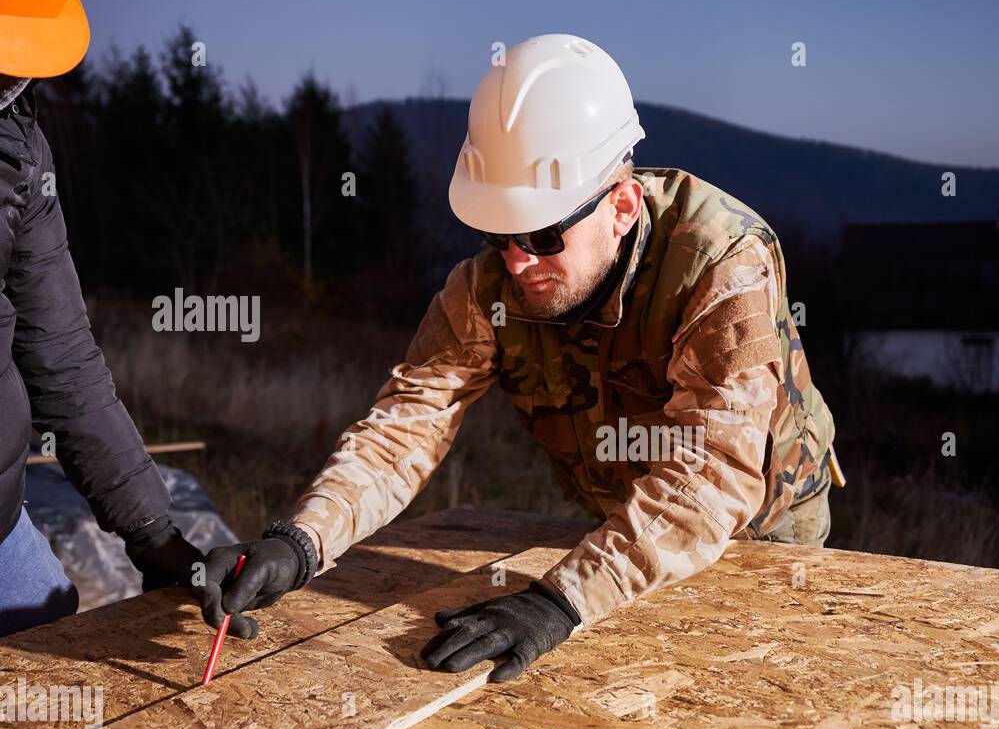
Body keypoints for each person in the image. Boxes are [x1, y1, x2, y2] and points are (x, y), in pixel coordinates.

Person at [200, 34, 842, 682]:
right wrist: (300, 542)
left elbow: (714, 479)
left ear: (620, 207)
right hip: (629, 523)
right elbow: (406, 427)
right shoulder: (486, 290)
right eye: (499, 232)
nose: (517, 261)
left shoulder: (718, 265)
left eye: (541, 233)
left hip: (761, 531)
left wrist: (562, 598)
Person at [0, 0, 202, 637]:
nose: (7, 89)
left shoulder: (18, 156)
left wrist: (150, 531)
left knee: (48, 631)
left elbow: (61, 358)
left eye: (14, 75)